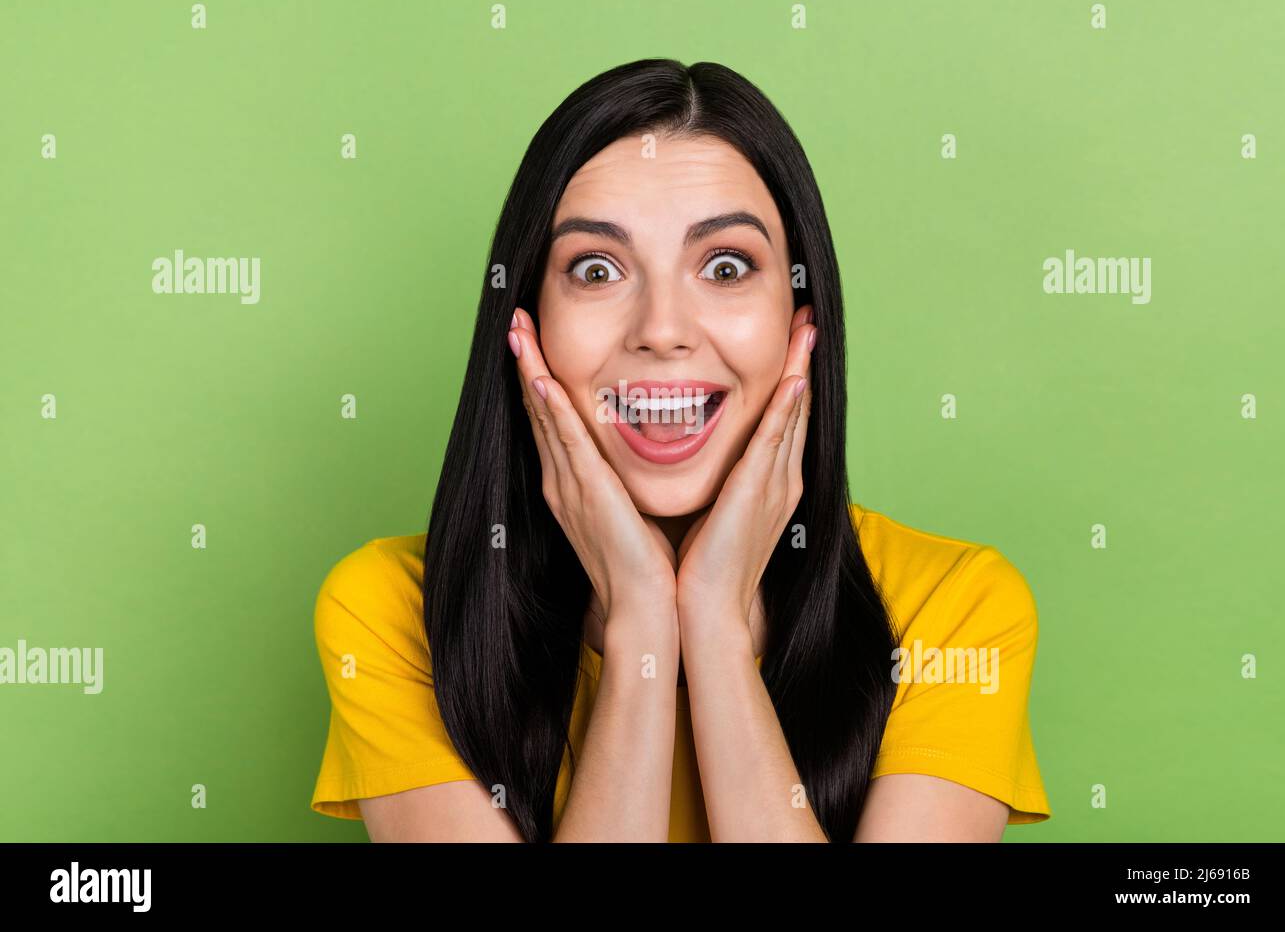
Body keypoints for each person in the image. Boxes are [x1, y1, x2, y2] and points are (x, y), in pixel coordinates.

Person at [309, 58, 1052, 841]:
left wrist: (714, 625)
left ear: (801, 319)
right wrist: (639, 625)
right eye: (596, 270)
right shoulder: (395, 614)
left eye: (725, 267)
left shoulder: (958, 611)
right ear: (526, 327)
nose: (661, 328)